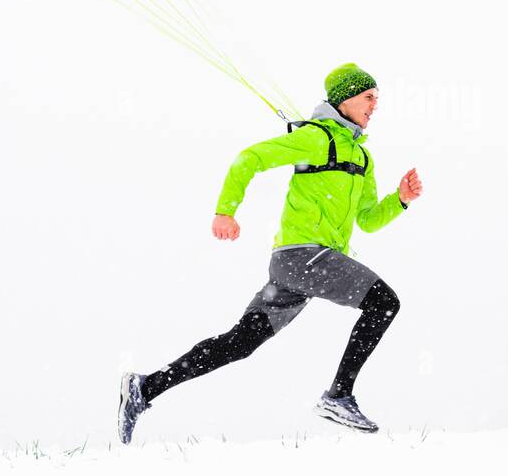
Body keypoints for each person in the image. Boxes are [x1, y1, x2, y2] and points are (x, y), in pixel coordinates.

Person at [117, 63, 422, 443]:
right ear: (345, 100)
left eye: (377, 98)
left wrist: (401, 201)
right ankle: (339, 395)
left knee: (240, 343)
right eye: (368, 97)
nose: (375, 105)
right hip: (302, 257)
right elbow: (249, 158)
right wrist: (225, 211)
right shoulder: (315, 138)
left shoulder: (362, 158)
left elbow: (368, 219)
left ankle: (144, 388)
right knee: (383, 302)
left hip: (302, 268)